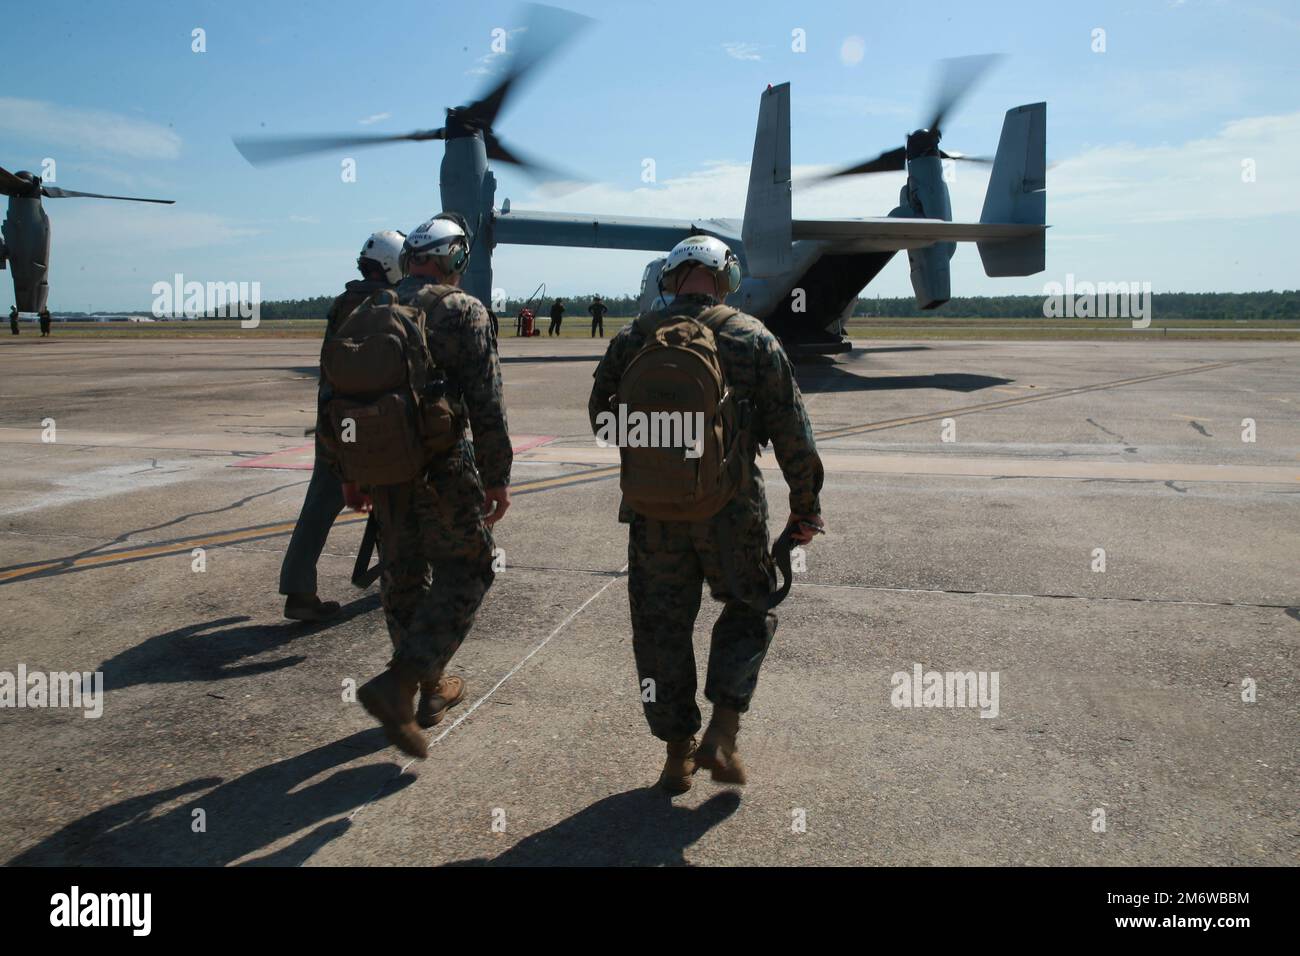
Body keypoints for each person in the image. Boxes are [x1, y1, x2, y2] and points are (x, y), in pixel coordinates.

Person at [588, 235, 825, 794]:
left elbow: (602, 421)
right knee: (750, 604)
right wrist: (806, 506)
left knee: (660, 628)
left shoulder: (633, 339)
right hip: (731, 508)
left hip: (653, 513)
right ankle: (722, 729)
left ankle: (676, 754)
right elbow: (794, 431)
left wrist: (662, 448)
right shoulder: (752, 338)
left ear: (670, 279)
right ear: (726, 280)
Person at [340, 213, 513, 759]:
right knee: (472, 565)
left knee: (403, 573)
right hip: (444, 465)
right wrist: (498, 477)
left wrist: (352, 472)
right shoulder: (463, 309)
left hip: (385, 468)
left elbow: (340, 395)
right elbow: (486, 401)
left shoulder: (374, 306)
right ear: (456, 259)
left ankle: (428, 689)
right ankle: (402, 681)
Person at [279, 230, 404, 621]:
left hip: (334, 422)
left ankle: (299, 591)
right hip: (378, 425)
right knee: (394, 501)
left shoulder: (341, 303)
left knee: (319, 506)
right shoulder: (393, 304)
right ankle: (400, 581)